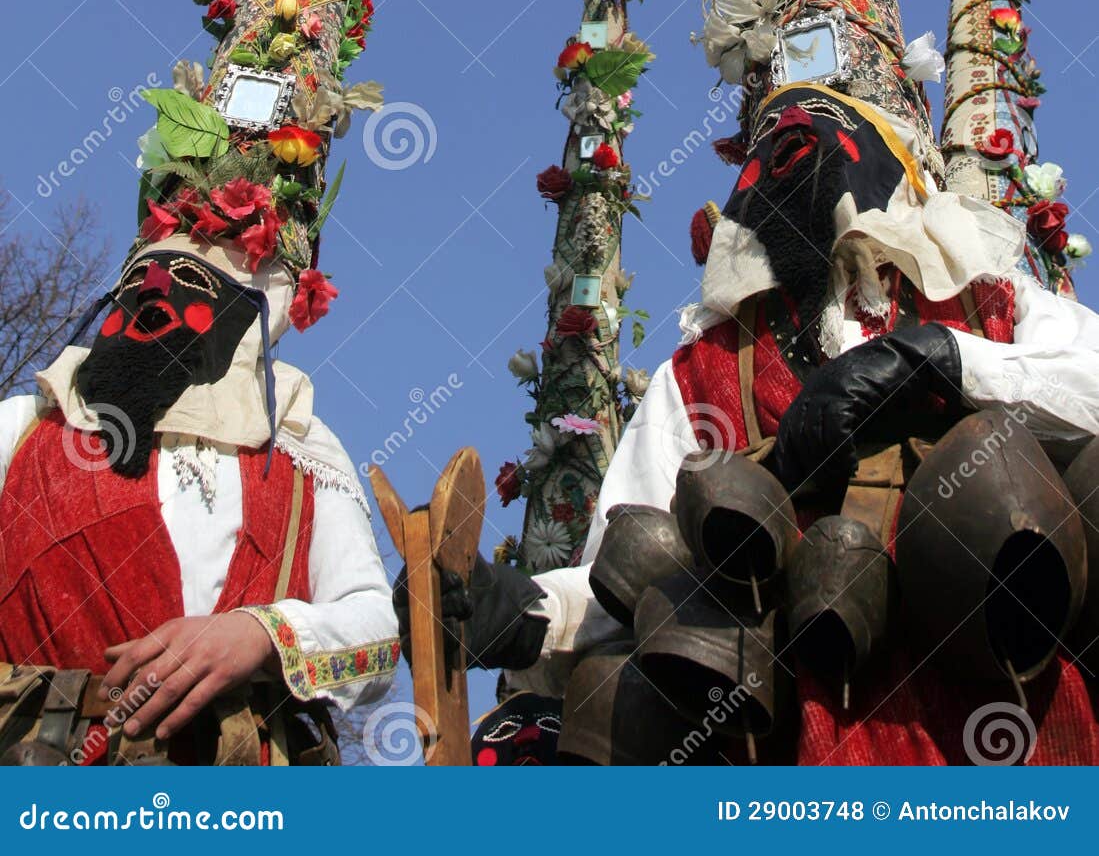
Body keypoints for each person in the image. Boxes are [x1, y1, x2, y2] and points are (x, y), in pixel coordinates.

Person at [408, 86, 1099, 766]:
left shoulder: (987, 307)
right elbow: (634, 563)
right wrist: (531, 611)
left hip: (1018, 721)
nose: (787, 142)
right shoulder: (700, 372)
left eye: (823, 121)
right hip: (797, 747)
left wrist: (939, 359)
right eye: (765, 139)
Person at [0, 236, 398, 765]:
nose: (156, 293)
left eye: (191, 282)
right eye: (139, 284)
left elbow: (376, 642)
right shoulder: (24, 427)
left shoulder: (304, 452)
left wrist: (262, 634)